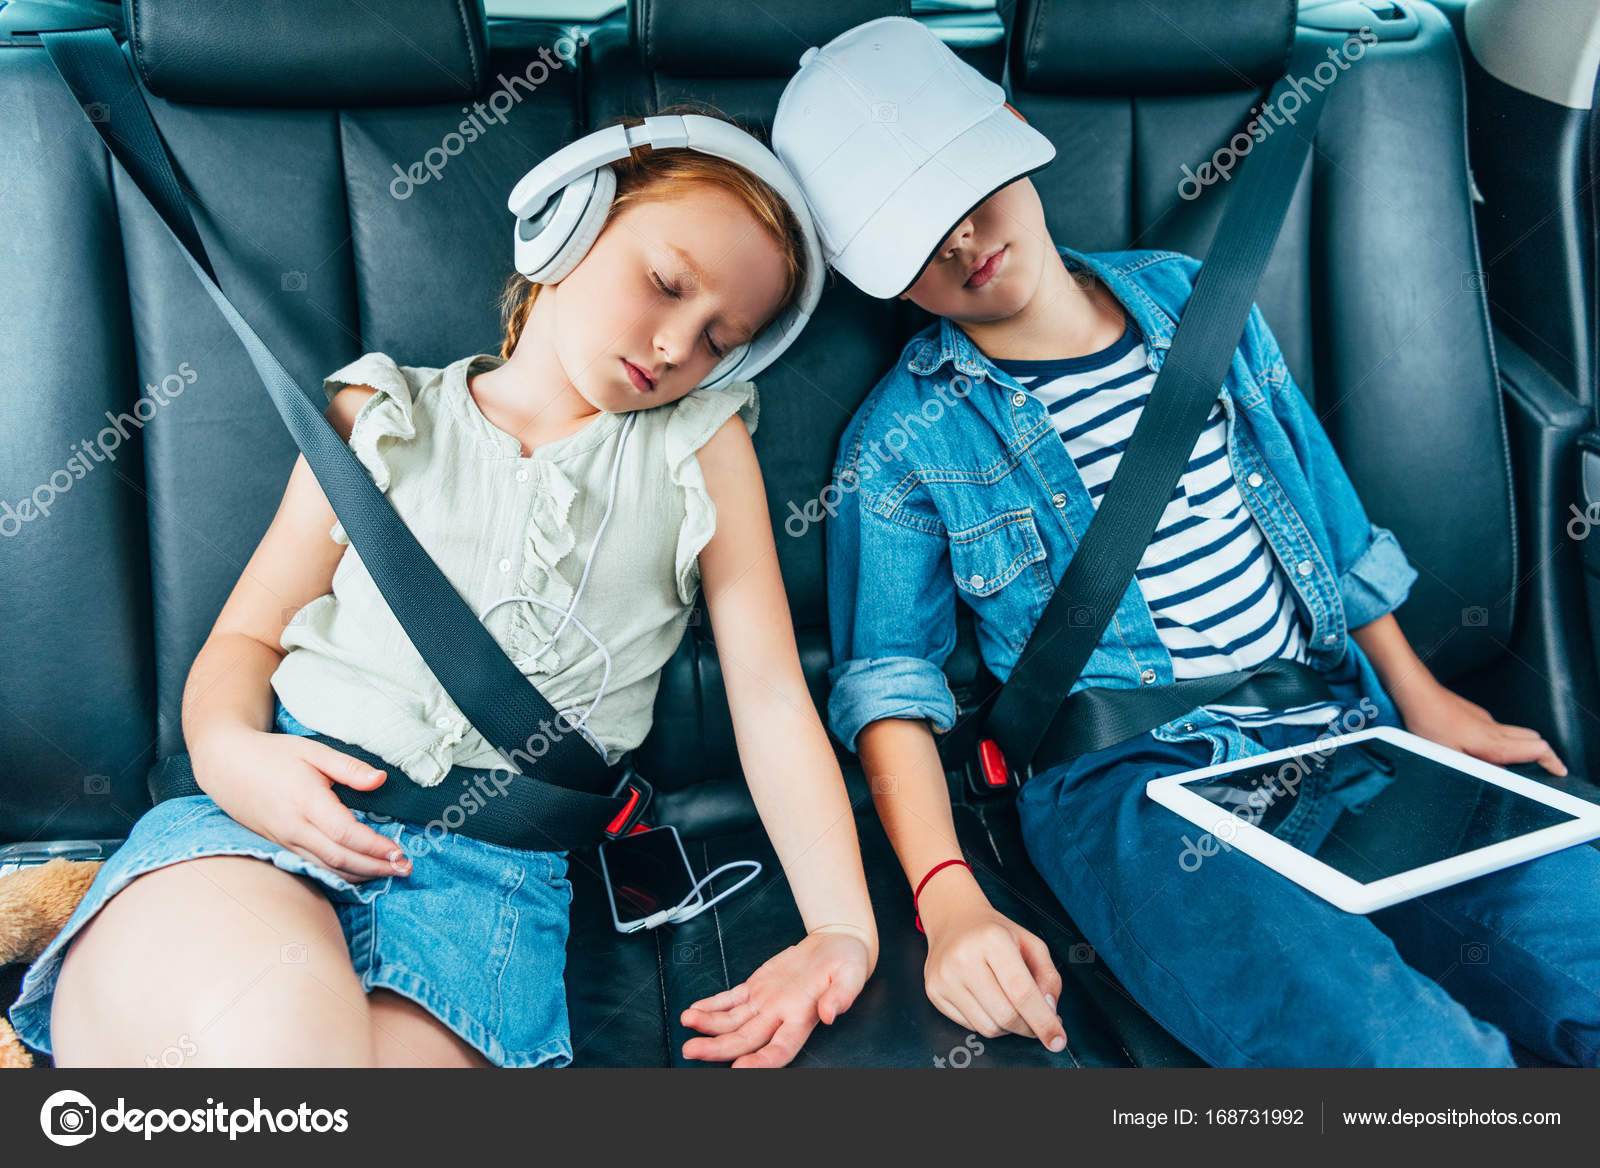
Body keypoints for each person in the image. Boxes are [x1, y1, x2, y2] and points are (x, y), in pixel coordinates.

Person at [773, 16, 1600, 1067]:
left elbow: (1326, 514)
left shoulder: (1193, 301)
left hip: (1339, 727)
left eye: (965, 195)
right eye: (913, 243)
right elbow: (890, 687)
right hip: (1130, 787)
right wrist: (948, 898)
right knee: (1394, 1055)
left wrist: (1423, 701)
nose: (960, 244)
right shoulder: (901, 442)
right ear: (872, 278)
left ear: (1017, 136)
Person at [8, 107, 877, 1069]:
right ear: (567, 223)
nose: (678, 346)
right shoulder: (381, 416)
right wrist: (225, 752)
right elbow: (248, 638)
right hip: (265, 819)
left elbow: (767, 700)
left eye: (721, 338)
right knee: (269, 1039)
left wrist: (843, 926)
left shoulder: (702, 452)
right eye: (667, 284)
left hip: (488, 889)